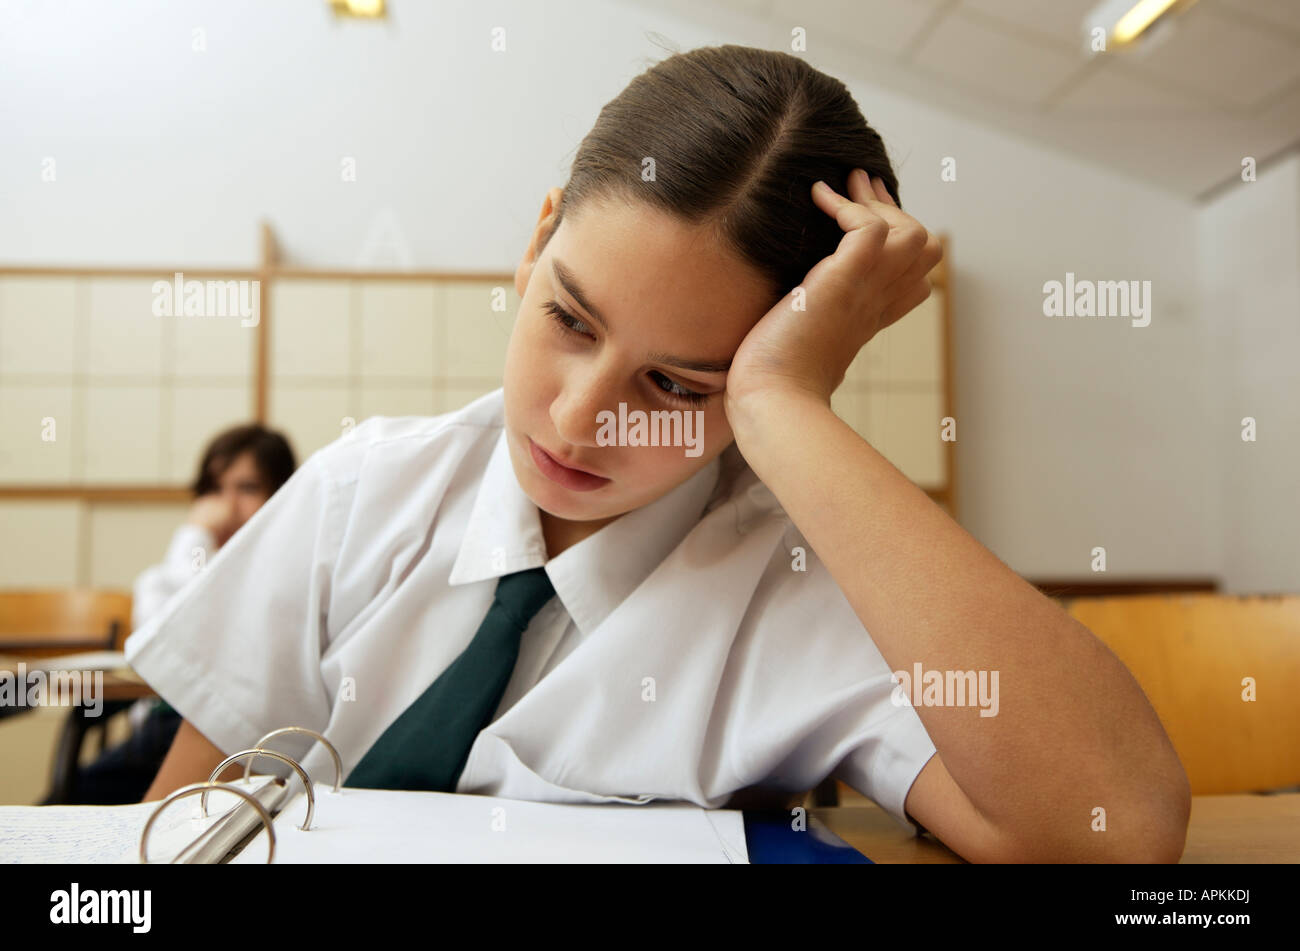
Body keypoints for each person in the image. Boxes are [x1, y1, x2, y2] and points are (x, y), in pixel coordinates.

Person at [125, 45, 1190, 862]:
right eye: (570, 320)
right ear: (536, 241)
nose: (582, 419)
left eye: (680, 385)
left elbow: (1114, 829)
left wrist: (785, 406)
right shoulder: (364, 489)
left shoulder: (803, 592)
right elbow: (178, 831)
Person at [59, 424, 295, 804]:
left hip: (248, 738)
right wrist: (195, 539)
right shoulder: (161, 579)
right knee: (67, 802)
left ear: (283, 495)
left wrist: (194, 538)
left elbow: (207, 638)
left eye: (247, 488)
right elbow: (169, 643)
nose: (226, 507)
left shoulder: (289, 571)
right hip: (162, 729)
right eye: (214, 490)